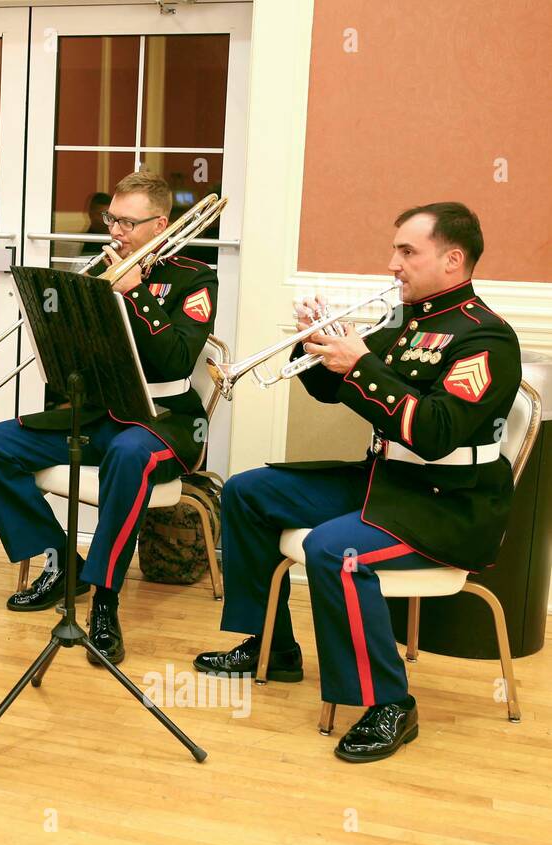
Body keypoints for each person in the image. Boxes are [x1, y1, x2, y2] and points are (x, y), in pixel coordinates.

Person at [193, 202, 521, 762]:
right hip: (386, 480)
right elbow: (334, 392)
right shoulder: (402, 320)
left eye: (407, 251)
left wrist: (363, 364)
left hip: (451, 503)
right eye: (395, 249)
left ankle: (389, 702)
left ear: (453, 259)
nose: (393, 263)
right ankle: (270, 647)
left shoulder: (485, 338)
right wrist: (319, 349)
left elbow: (436, 433)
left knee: (335, 550)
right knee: (248, 491)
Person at [0, 171, 217, 666]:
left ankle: (105, 599)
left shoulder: (194, 277)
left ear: (161, 223)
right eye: (111, 219)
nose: (114, 231)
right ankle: (64, 564)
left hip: (166, 422)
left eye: (127, 221)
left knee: (127, 452)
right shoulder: (93, 271)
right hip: (104, 413)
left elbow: (174, 361)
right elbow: (70, 365)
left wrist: (136, 293)